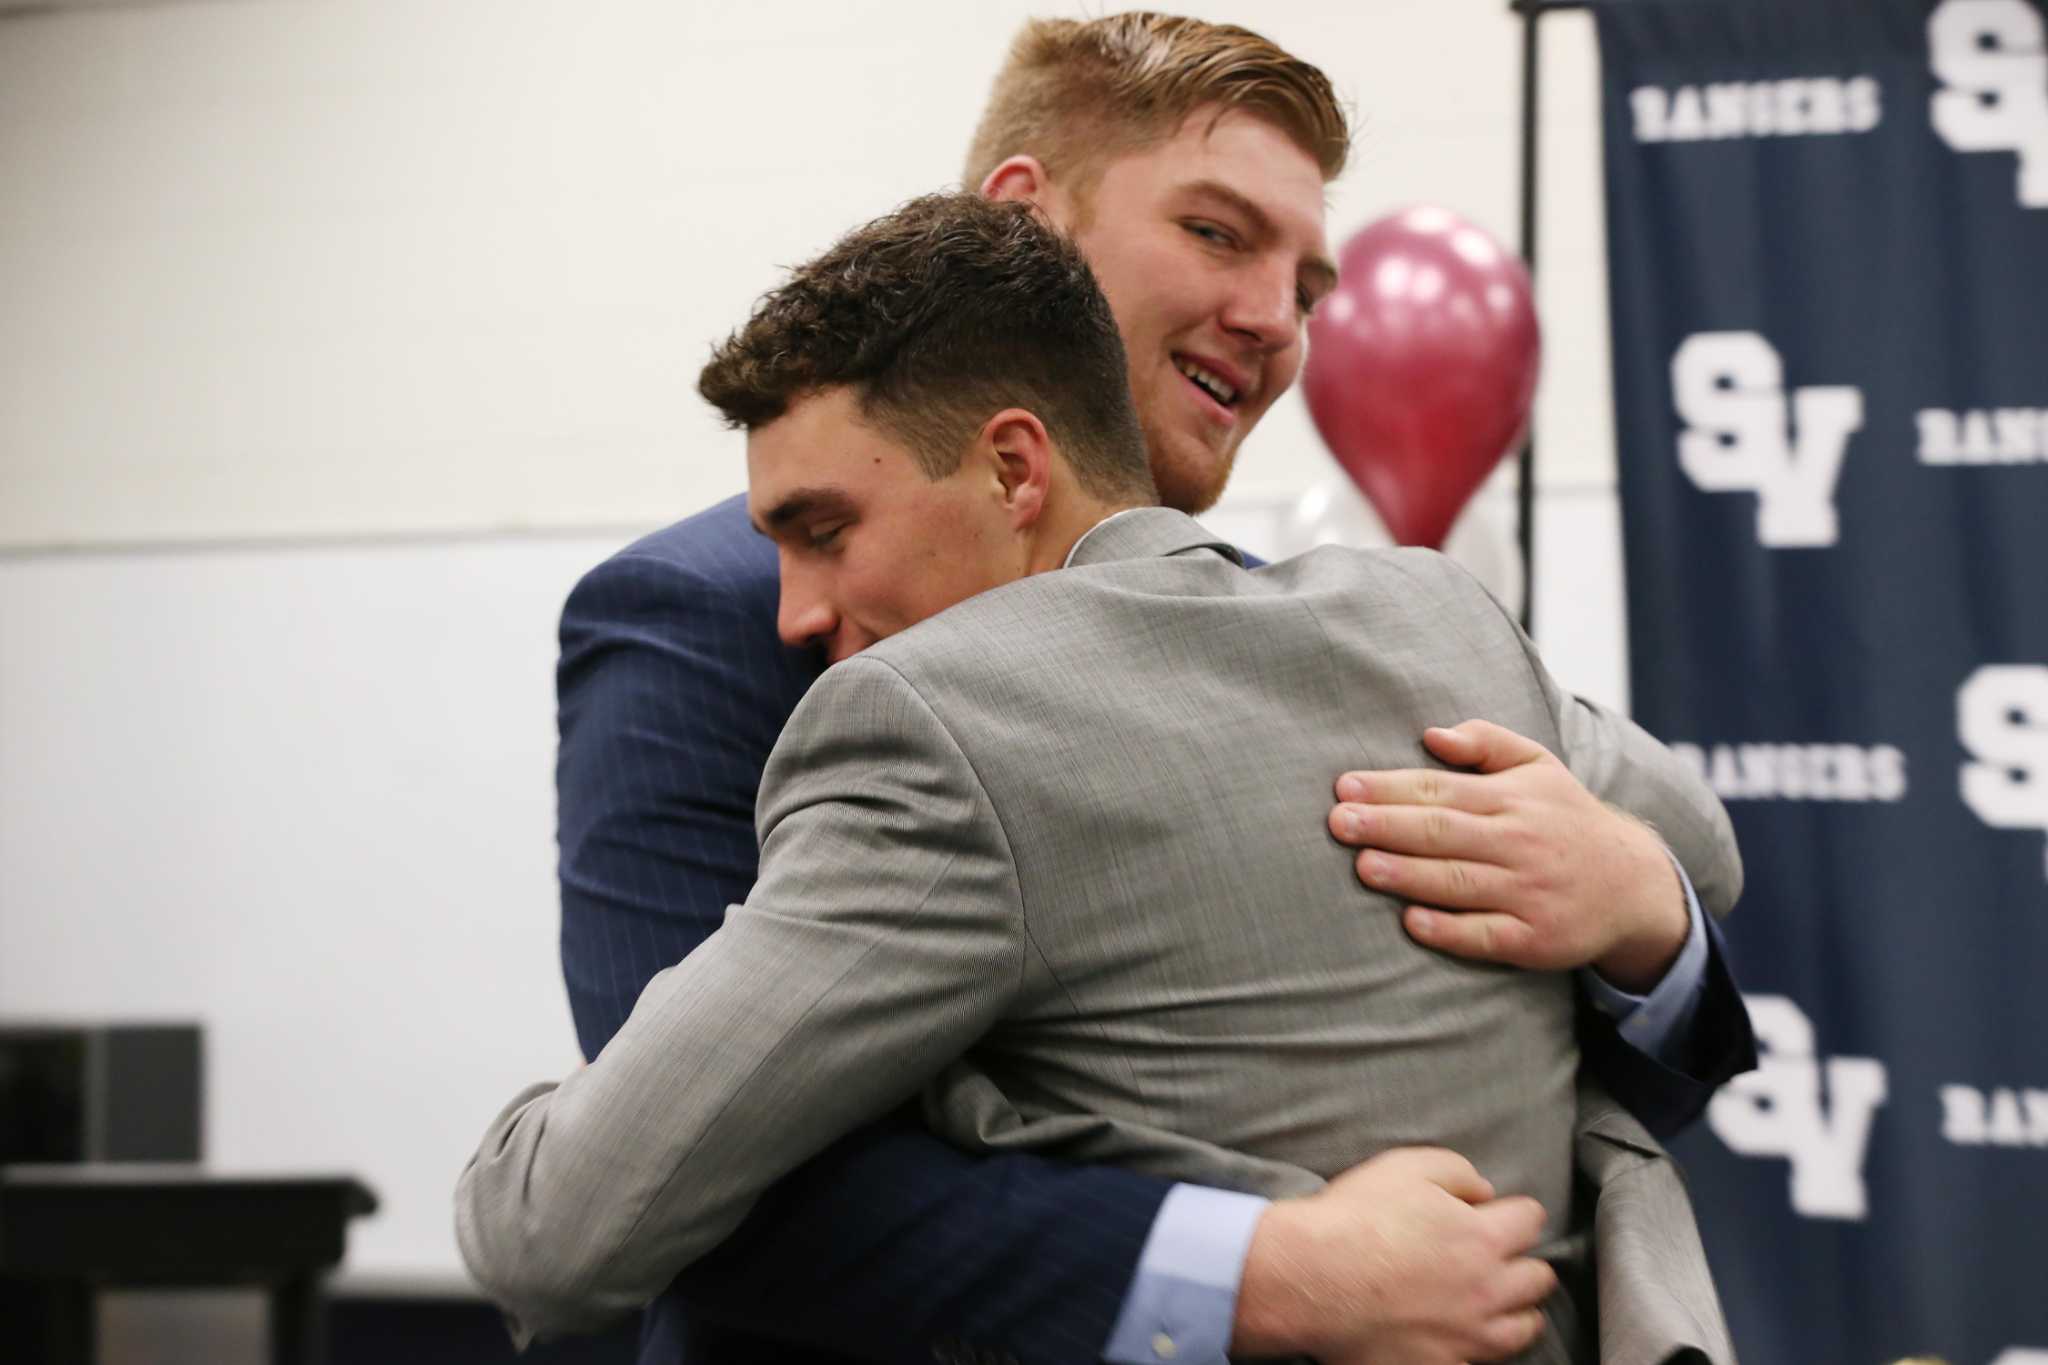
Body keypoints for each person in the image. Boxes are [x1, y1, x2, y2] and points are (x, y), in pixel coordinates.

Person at [551, 14, 1752, 1365]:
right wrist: (1271, 1271)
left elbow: (1609, 968)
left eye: (1308, 283)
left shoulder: (1330, 617)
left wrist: (1643, 914)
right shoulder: (709, 616)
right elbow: (701, 1175)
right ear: (1028, 224)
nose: (1275, 323)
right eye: (1218, 234)